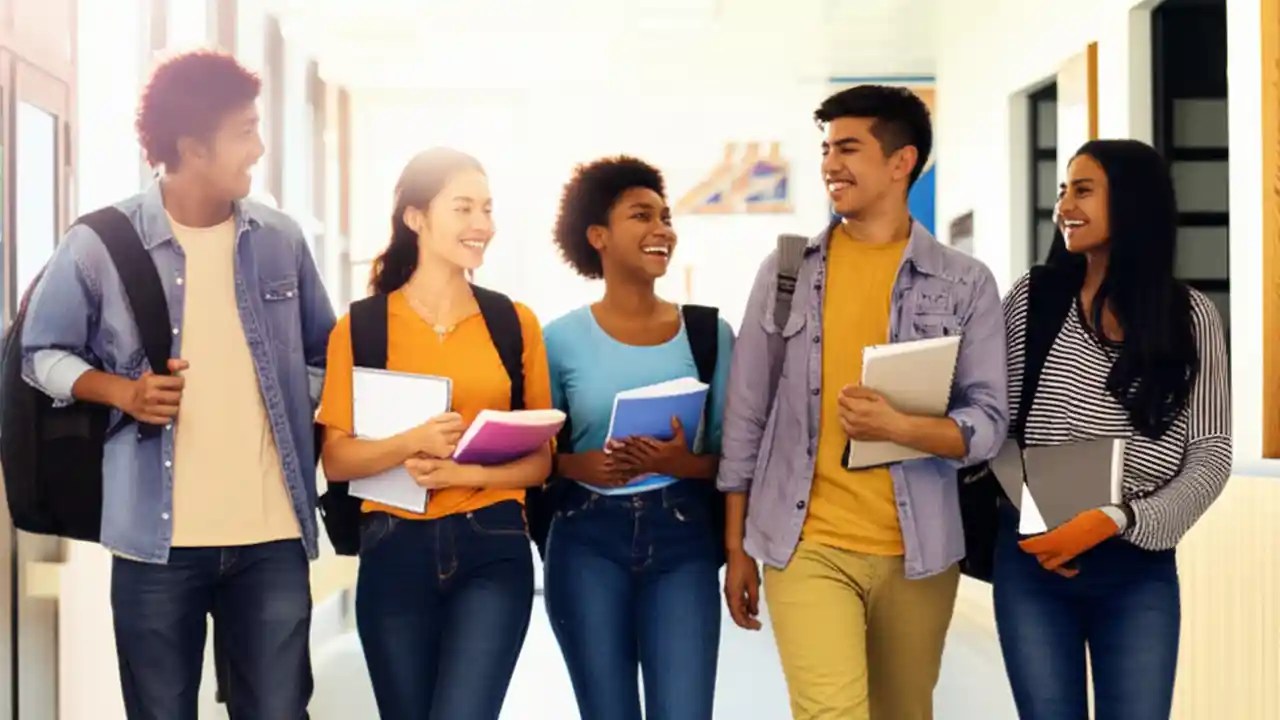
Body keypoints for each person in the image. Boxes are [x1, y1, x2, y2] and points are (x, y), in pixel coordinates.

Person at [19, 51, 334, 718]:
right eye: (245, 130)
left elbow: (323, 360)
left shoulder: (280, 241)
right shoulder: (100, 244)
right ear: (192, 145)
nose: (259, 146)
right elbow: (40, 353)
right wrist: (121, 391)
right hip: (154, 542)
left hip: (272, 534)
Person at [717, 84, 1009, 720]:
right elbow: (747, 413)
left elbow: (987, 423)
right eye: (825, 148)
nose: (829, 164)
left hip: (920, 550)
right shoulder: (789, 270)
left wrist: (902, 427)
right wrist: (737, 546)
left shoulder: (965, 282)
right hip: (805, 543)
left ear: (901, 161)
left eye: (848, 148)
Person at [994, 139, 1231, 720]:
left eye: (1082, 189)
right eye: (1061, 191)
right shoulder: (1034, 298)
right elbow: (990, 421)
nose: (1063, 205)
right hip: (1035, 559)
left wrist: (1114, 520)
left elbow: (1210, 455)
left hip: (1137, 565)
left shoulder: (1191, 316)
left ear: (1131, 201)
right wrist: (1039, 517)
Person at [316, 147, 552, 720]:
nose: (483, 225)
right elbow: (337, 460)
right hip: (393, 549)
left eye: (488, 209)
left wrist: (460, 472)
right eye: (464, 208)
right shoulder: (362, 326)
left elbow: (542, 460)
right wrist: (413, 441)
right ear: (416, 218)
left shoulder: (513, 323)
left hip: (492, 546)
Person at [540, 156, 734, 720]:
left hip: (683, 542)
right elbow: (537, 455)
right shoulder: (558, 340)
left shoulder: (709, 334)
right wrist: (581, 466)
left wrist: (685, 462)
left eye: (666, 217)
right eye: (641, 215)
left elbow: (734, 457)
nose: (662, 230)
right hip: (584, 540)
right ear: (597, 236)